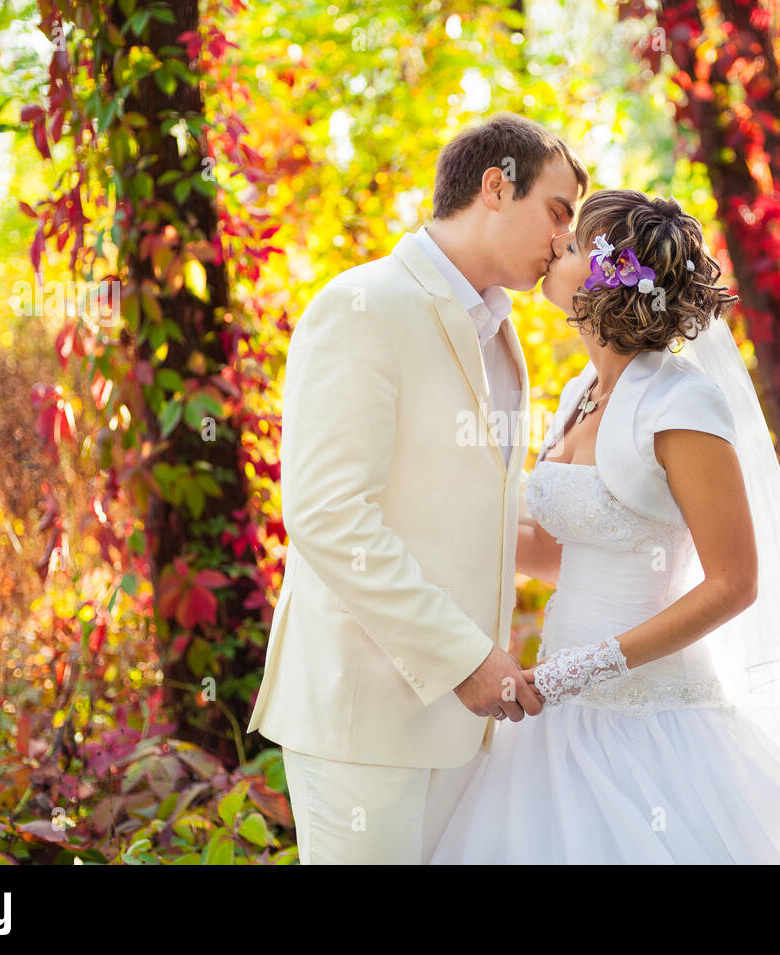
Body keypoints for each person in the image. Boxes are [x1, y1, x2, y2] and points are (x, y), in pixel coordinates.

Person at [430, 189, 780, 864]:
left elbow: (734, 582)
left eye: (577, 242)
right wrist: (439, 530)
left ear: (612, 279)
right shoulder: (578, 394)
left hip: (652, 717)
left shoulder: (682, 403)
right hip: (554, 708)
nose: (558, 244)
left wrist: (590, 664)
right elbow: (558, 556)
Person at [246, 114, 589, 864]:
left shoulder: (504, 336)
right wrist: (464, 656)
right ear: (496, 187)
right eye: (558, 212)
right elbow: (328, 515)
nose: (566, 242)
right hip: (364, 720)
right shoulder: (361, 305)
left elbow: (481, 514)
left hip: (467, 730)